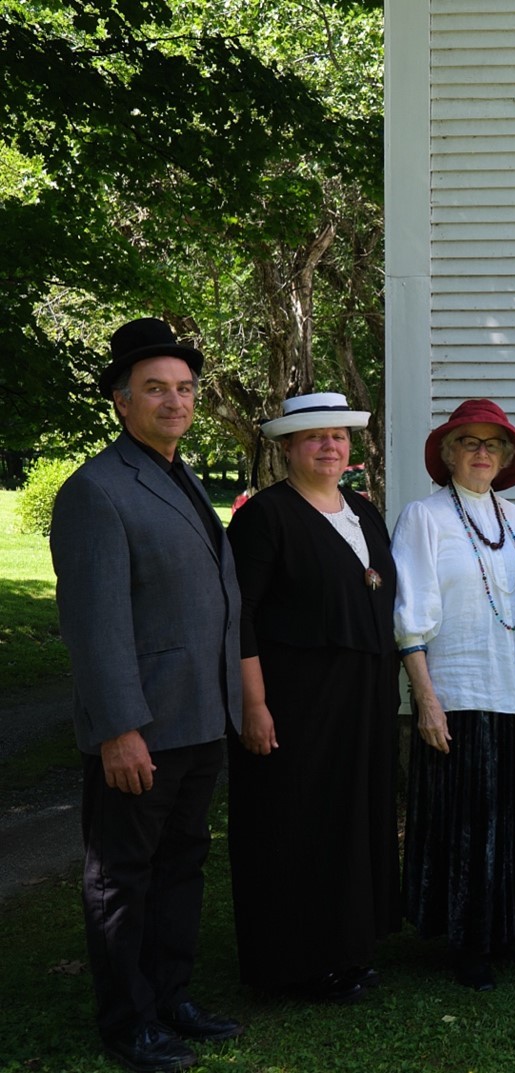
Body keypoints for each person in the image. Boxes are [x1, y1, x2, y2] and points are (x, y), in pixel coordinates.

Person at [50, 318, 243, 1073]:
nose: (175, 401)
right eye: (156, 388)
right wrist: (118, 729)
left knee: (181, 866)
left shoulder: (181, 475)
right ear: (121, 401)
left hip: (201, 716)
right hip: (143, 725)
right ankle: (128, 1022)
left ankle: (170, 997)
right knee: (122, 878)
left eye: (185, 388)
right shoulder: (96, 490)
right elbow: (94, 626)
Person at [225, 393, 400, 1003]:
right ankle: (295, 963)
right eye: (314, 437)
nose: (330, 446)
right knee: (298, 820)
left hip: (362, 697)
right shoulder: (264, 517)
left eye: (339, 436)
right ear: (287, 448)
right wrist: (253, 705)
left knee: (351, 818)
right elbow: (239, 618)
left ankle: (347, 948)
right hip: (296, 701)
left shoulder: (364, 511)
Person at [391, 398, 515, 992]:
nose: (481, 452)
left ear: (506, 457)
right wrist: (425, 699)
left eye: (492, 444)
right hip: (458, 691)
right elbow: (409, 614)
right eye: (468, 442)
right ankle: (468, 940)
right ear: (449, 454)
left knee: (514, 818)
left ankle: (506, 927)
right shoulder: (424, 517)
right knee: (467, 822)